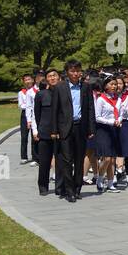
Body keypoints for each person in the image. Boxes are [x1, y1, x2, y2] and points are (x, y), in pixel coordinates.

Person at [53, 60, 95, 203]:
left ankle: (77, 188)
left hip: (81, 127)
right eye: (72, 71)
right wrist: (54, 130)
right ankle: (68, 190)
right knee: (66, 160)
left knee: (79, 159)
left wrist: (91, 128)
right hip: (65, 128)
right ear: (67, 72)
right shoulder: (60, 87)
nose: (76, 73)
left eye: (78, 70)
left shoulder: (86, 87)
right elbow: (55, 110)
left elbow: (90, 108)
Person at [32, 68, 64, 197]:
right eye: (49, 76)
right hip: (45, 132)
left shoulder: (64, 93)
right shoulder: (41, 95)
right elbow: (37, 114)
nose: (52, 78)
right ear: (46, 79)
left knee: (61, 161)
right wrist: (38, 130)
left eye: (55, 76)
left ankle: (60, 187)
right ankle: (43, 186)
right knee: (44, 161)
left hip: (61, 132)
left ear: (59, 78)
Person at [17, 73, 37, 165]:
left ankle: (35, 157)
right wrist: (29, 105)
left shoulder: (36, 90)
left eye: (29, 79)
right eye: (26, 80)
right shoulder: (21, 93)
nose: (28, 81)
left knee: (34, 136)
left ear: (33, 80)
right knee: (24, 136)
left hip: (35, 114)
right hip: (25, 115)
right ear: (23, 82)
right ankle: (24, 156)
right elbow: (21, 105)